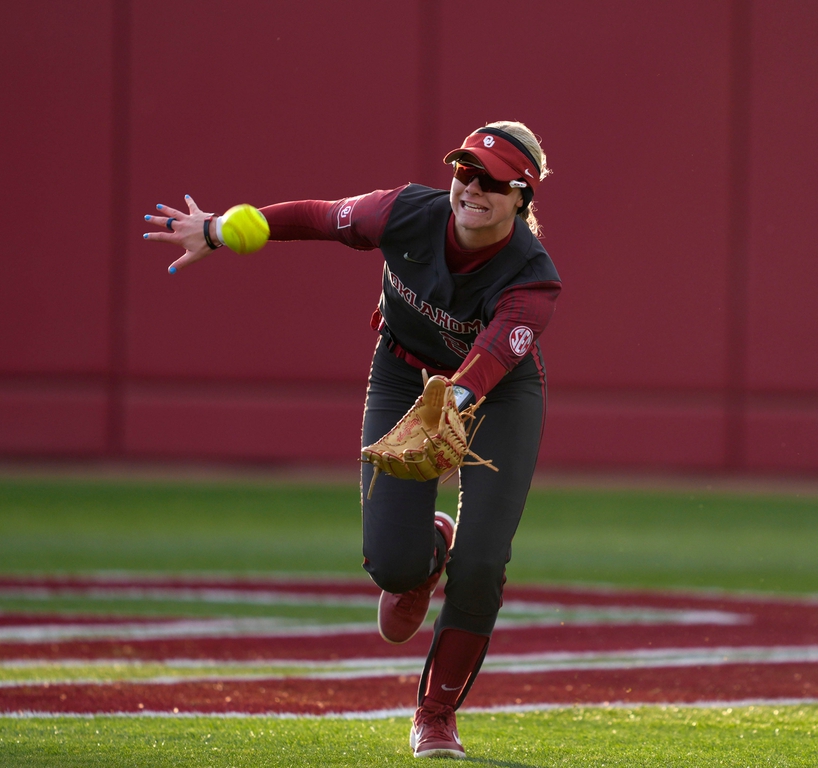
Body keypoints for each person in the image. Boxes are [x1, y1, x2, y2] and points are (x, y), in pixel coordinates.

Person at [145, 121, 560, 759]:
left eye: (492, 181)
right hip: (401, 370)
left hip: (496, 395)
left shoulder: (533, 278)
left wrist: (450, 404)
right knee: (390, 566)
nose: (472, 188)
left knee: (482, 565)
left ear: (521, 198)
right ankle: (426, 555)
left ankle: (436, 713)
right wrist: (221, 228)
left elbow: (494, 358)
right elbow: (317, 217)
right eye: (464, 172)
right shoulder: (404, 212)